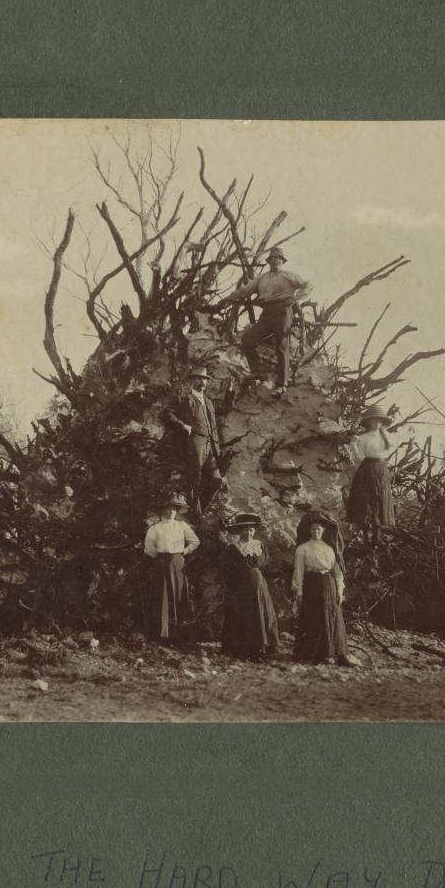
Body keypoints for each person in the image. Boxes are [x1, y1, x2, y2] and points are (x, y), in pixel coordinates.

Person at [217, 248, 311, 392]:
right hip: (267, 312)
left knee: (282, 345)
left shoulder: (288, 275)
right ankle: (257, 370)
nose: (277, 260)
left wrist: (295, 299)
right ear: (269, 261)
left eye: (280, 258)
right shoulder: (262, 278)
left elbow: (308, 284)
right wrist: (228, 298)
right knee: (247, 340)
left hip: (283, 311)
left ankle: (282, 384)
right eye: (274, 258)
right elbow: (245, 290)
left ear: (283, 261)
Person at [220, 512, 281, 658]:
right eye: (244, 530)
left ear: (255, 531)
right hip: (240, 586)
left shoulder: (259, 546)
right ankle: (241, 646)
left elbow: (264, 565)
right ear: (239, 531)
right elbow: (227, 568)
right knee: (241, 612)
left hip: (259, 584)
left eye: (251, 530)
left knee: (262, 611)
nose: (248, 533)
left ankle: (264, 644)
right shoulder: (232, 548)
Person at [163, 365, 222, 516]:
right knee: (194, 479)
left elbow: (222, 412)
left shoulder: (208, 401)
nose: (202, 382)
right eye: (198, 378)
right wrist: (183, 425)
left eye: (204, 379)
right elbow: (166, 414)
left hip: (210, 444)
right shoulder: (183, 399)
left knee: (216, 480)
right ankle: (196, 515)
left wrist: (230, 393)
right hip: (193, 443)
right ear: (192, 380)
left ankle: (200, 511)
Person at [142, 494, 199, 643]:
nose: (171, 512)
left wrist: (184, 552)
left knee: (179, 592)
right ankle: (162, 634)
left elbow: (195, 541)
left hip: (178, 562)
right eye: (168, 508)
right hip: (161, 562)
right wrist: (160, 558)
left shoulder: (182, 526)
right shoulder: (155, 528)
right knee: (162, 595)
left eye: (174, 509)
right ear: (163, 511)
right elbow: (148, 548)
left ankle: (179, 634)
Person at [292, 513, 348, 664]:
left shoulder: (329, 549)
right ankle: (314, 654)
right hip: (311, 584)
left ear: (323, 531)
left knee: (332, 616)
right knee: (314, 617)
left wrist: (339, 590)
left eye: (318, 530)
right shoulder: (303, 549)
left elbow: (336, 571)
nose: (315, 532)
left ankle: (335, 653)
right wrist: (299, 592)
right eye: (313, 529)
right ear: (309, 531)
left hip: (328, 584)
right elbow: (298, 571)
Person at [346, 405, 396, 546]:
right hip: (366, 469)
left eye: (379, 420)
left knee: (379, 501)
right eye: (373, 420)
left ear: (382, 422)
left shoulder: (387, 437)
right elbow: (359, 458)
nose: (376, 423)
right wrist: (354, 445)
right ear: (368, 422)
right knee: (364, 502)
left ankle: (376, 536)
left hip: (382, 470)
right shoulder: (362, 438)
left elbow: (393, 448)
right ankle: (366, 538)